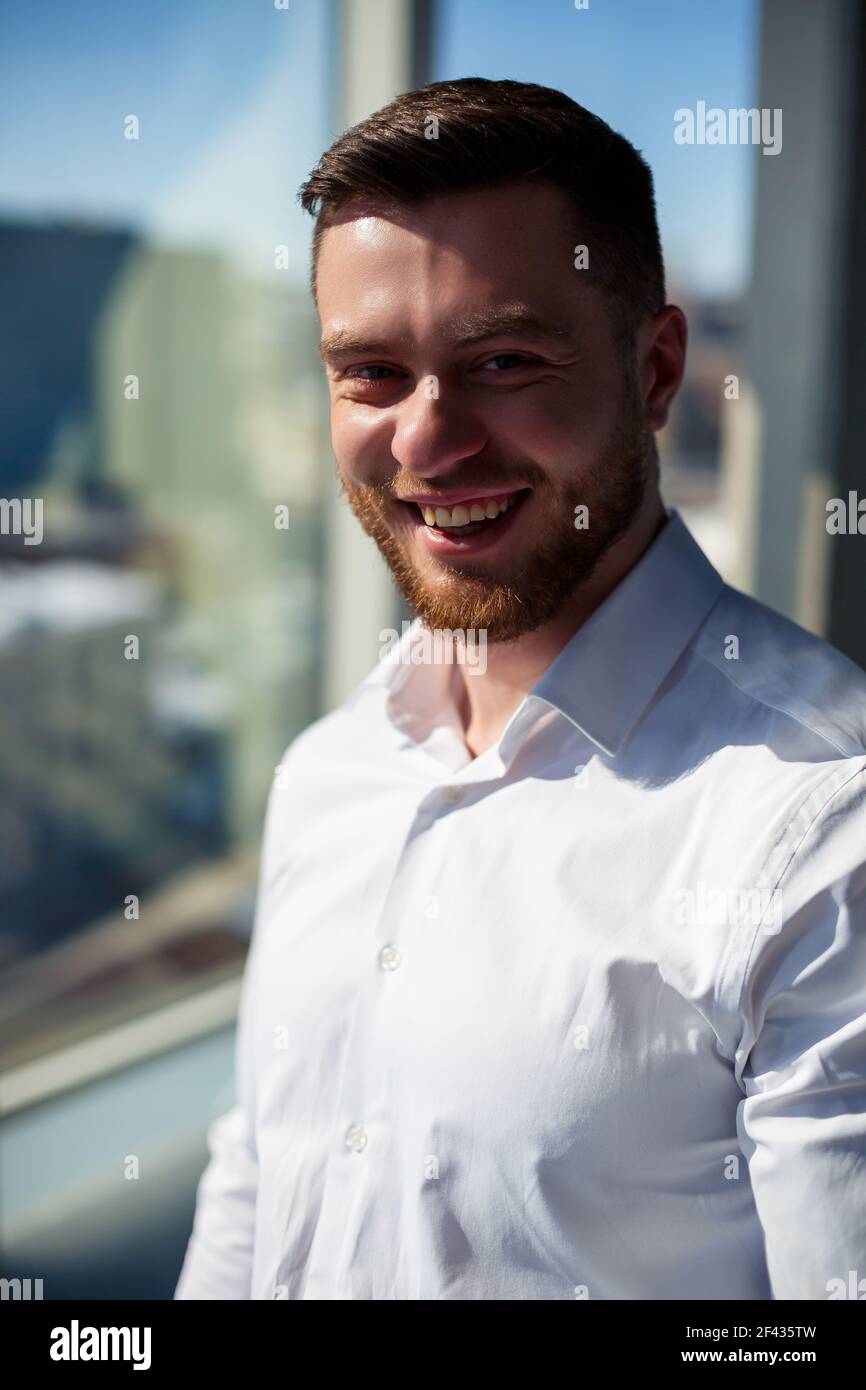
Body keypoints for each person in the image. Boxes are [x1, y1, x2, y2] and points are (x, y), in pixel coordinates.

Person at [176, 78, 866, 1300]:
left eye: (500, 360)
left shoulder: (822, 827)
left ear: (655, 370)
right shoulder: (333, 768)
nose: (427, 443)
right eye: (371, 374)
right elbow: (254, 1195)